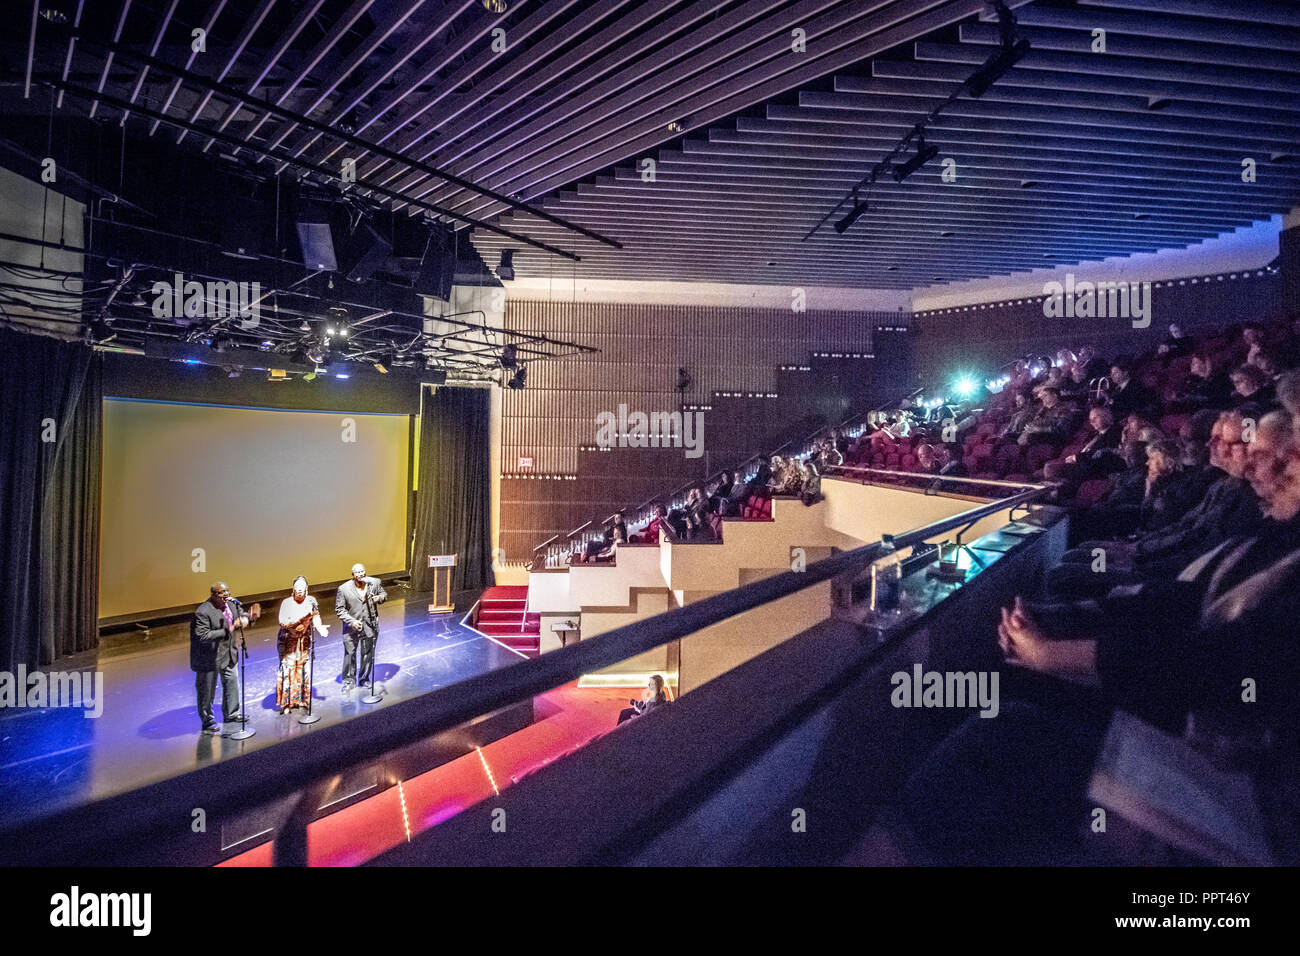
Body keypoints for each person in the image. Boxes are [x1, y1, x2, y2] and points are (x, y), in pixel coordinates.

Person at [190, 582, 259, 734]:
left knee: (232, 683)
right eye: (222, 593)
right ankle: (207, 722)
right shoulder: (203, 611)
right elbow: (203, 635)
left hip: (229, 653)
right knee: (206, 692)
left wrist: (248, 618)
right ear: (214, 595)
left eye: (228, 591)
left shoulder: (232, 604)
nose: (226, 594)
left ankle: (232, 714)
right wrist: (229, 629)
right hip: (209, 658)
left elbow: (241, 615)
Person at [276, 576, 329, 714]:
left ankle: (301, 699)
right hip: (288, 640)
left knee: (303, 670)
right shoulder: (286, 603)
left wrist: (320, 627)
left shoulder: (311, 601)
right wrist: (300, 619)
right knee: (288, 670)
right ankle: (287, 703)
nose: (299, 590)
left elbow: (315, 616)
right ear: (293, 589)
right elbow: (282, 622)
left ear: (307, 588)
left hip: (303, 640)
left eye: (302, 587)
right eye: (297, 587)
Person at [336, 564, 387, 690]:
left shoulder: (373, 582)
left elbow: (384, 594)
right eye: (357, 572)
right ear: (352, 575)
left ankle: (364, 679)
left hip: (369, 625)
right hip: (351, 627)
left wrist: (379, 598)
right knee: (349, 653)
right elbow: (340, 610)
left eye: (362, 571)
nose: (360, 574)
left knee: (367, 653)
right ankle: (348, 682)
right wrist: (351, 621)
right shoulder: (344, 589)